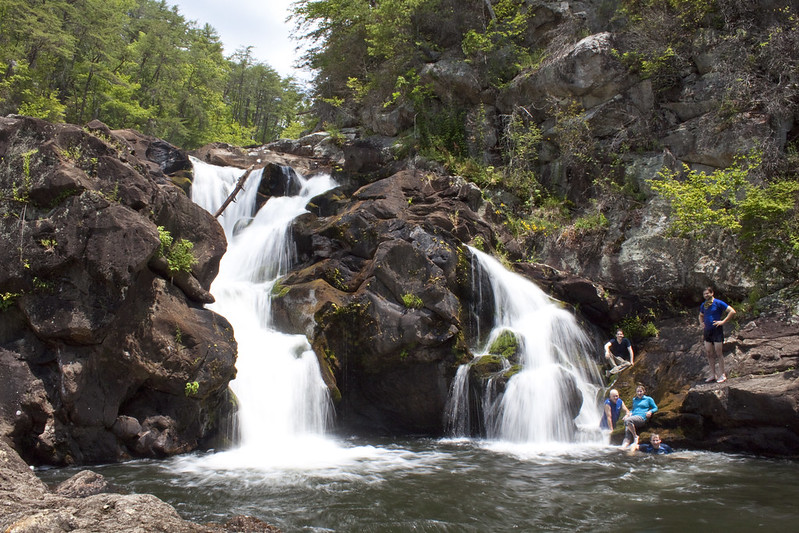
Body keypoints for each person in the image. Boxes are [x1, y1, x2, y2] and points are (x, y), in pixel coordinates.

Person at [699, 286, 736, 383]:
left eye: (707, 293)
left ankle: (722, 374)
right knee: (709, 353)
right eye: (704, 294)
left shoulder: (718, 303)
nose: (706, 295)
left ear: (712, 293)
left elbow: (732, 311)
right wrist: (701, 322)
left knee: (718, 353)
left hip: (717, 330)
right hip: (707, 331)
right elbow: (701, 315)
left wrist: (723, 321)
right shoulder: (704, 305)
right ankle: (712, 374)